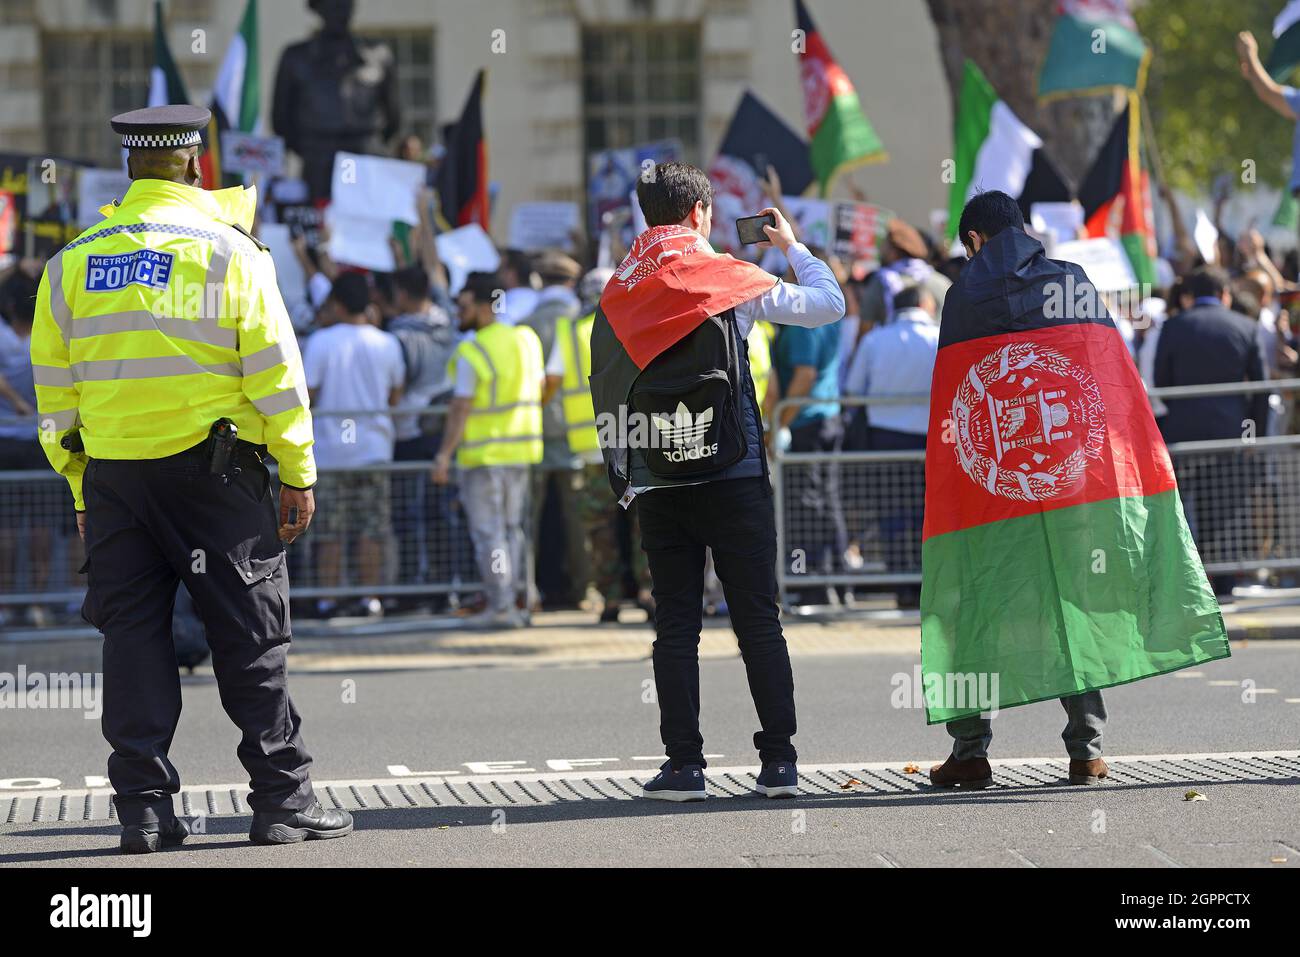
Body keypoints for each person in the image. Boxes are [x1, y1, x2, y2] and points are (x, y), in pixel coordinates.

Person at [30, 105, 351, 851]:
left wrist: (81, 485)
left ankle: (143, 810)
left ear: (129, 169)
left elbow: (57, 400)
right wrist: (298, 472)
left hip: (116, 481)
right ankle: (280, 800)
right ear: (196, 166)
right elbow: (277, 374)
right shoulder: (232, 253)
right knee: (250, 636)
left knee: (133, 639)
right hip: (216, 479)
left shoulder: (70, 262)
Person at [924, 191, 1228, 789]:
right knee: (1075, 600)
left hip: (991, 485)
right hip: (1077, 477)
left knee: (971, 601)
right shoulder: (1073, 281)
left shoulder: (962, 297)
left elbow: (958, 396)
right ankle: (1085, 749)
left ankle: (970, 750)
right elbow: (1110, 375)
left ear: (975, 241)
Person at [589, 162, 845, 801]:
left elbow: (606, 388)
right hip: (734, 472)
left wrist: (627, 475)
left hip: (660, 477)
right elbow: (829, 304)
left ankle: (684, 766)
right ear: (701, 212)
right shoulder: (734, 278)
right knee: (758, 619)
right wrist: (788, 245)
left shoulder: (620, 291)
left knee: (675, 623)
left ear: (648, 214)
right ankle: (779, 764)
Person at [432, 271, 545, 628]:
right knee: (513, 531)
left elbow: (461, 407)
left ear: (483, 306)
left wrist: (444, 455)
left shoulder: (473, 350)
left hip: (483, 458)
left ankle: (501, 606)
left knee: (490, 535)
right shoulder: (526, 339)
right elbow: (540, 387)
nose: (457, 312)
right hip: (521, 454)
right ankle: (520, 600)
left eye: (462, 304)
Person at [1154, 265, 1270, 601]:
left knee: (1185, 508)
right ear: (1225, 295)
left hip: (1183, 433)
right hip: (1230, 434)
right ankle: (1224, 584)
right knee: (1226, 507)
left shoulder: (1173, 327)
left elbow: (1163, 380)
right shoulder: (1246, 326)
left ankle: (1193, 583)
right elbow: (1261, 390)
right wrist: (1254, 436)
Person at [551, 267, 654, 623]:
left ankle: (609, 599)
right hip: (637, 444)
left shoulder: (569, 335)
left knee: (600, 528)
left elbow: (549, 382)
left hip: (592, 449)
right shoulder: (637, 326)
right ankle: (648, 592)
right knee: (646, 522)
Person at [302, 271, 405, 618]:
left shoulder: (320, 342)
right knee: (372, 528)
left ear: (337, 303)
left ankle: (329, 598)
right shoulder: (387, 343)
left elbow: (308, 394)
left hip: (330, 452)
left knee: (330, 530)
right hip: (374, 448)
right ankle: (369, 597)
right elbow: (395, 394)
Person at [841, 281, 939, 608]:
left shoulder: (873, 340)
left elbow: (853, 390)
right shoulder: (939, 338)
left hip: (883, 435)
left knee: (891, 510)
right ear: (925, 305)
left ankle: (901, 584)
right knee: (929, 512)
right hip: (932, 438)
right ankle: (928, 582)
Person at [772, 253, 847, 607]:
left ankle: (812, 581)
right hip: (824, 415)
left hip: (806, 419)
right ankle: (836, 579)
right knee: (825, 500)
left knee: (805, 505)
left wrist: (779, 424)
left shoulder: (804, 318)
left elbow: (804, 376)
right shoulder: (825, 312)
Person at [387, 264, 456, 597]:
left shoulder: (399, 337)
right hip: (443, 431)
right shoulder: (448, 322)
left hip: (410, 432)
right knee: (440, 513)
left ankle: (414, 587)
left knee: (407, 515)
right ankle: (445, 587)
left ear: (401, 294)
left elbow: (396, 390)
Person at [523, 251, 586, 607]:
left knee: (529, 520)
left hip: (532, 432)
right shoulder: (580, 319)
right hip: (578, 432)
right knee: (579, 521)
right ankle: (585, 591)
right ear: (571, 282)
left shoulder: (526, 323)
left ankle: (528, 592)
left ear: (539, 282)